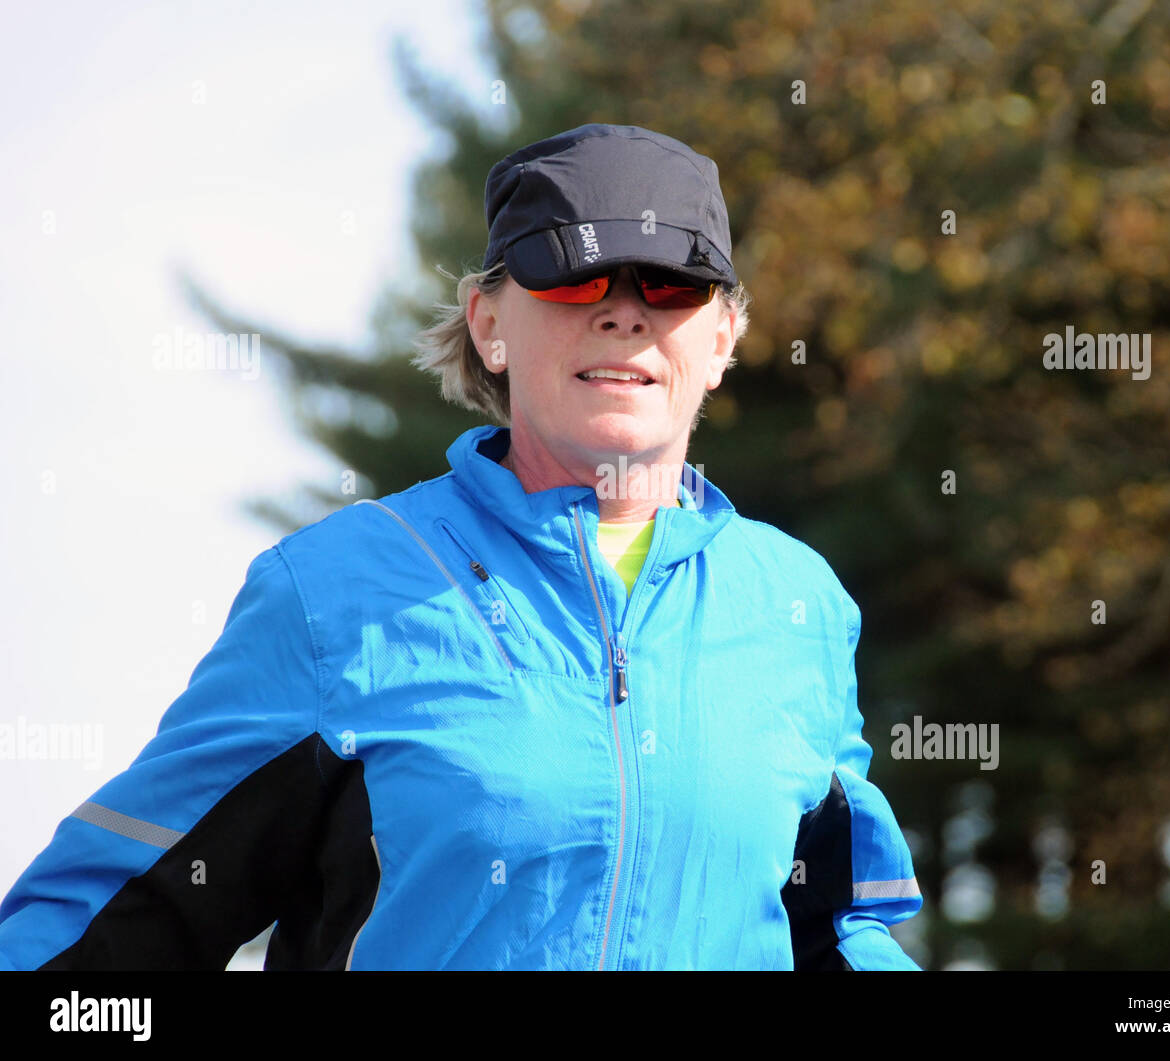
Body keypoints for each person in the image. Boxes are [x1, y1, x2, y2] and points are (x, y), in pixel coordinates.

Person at [0, 123, 922, 970]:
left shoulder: (797, 604)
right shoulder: (332, 593)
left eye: (672, 283)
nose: (626, 313)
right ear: (488, 324)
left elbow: (840, 931)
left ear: (723, 336)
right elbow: (105, 927)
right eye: (576, 275)